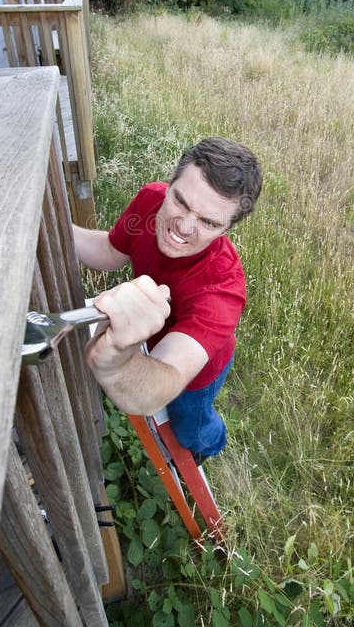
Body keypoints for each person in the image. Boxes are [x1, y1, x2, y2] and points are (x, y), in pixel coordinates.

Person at [73, 137, 262, 460]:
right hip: (152, 345)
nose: (184, 227)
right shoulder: (150, 199)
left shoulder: (222, 289)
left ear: (226, 230)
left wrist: (114, 363)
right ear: (170, 184)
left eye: (208, 222)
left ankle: (212, 445)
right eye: (180, 202)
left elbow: (165, 380)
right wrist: (55, 228)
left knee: (189, 426)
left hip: (198, 369)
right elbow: (110, 251)